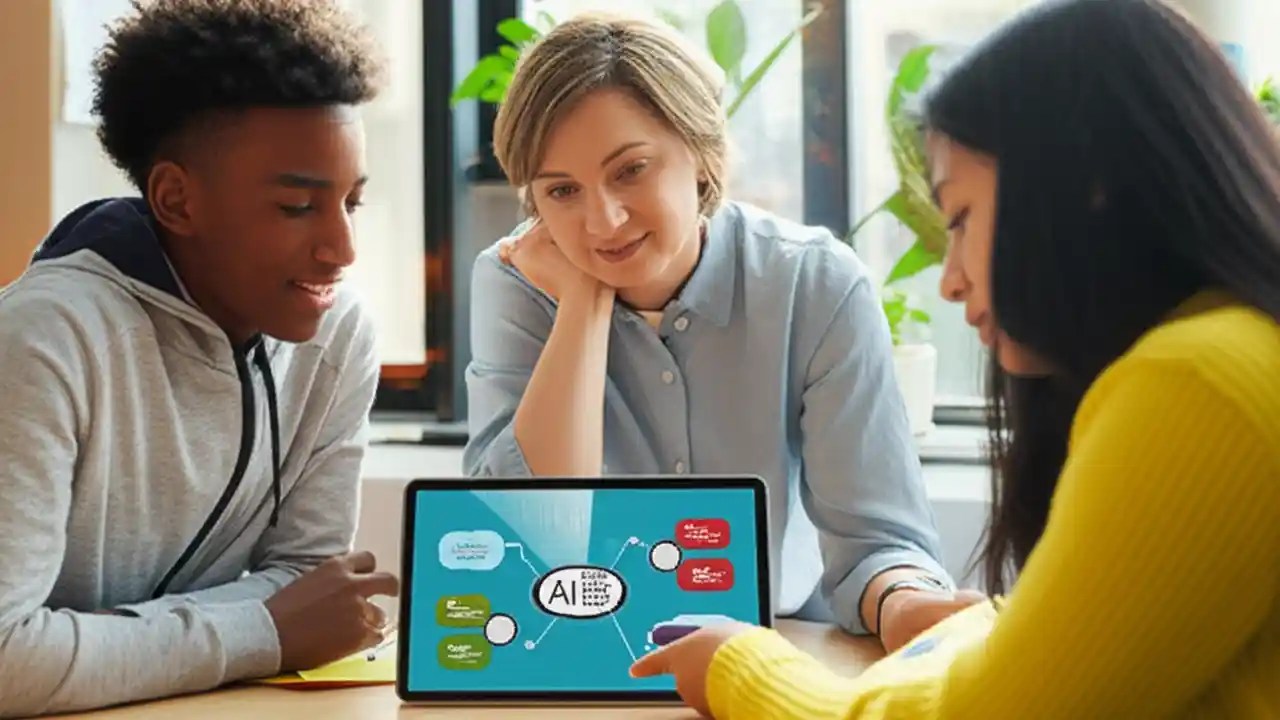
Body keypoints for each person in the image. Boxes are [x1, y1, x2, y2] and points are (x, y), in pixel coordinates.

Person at [627, 0, 1280, 716]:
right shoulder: (1234, 352)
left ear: (1087, 187)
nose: (950, 276)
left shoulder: (1194, 384)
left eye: (961, 217)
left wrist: (739, 663)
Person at [462, 12, 970, 651]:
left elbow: (878, 541)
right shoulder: (518, 283)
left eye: (630, 170)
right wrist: (583, 303)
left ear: (701, 157)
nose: (603, 220)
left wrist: (906, 605)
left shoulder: (813, 283)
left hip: (782, 648)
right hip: (580, 650)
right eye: (562, 191)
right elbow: (525, 536)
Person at [0, 1, 399, 716]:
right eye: (296, 208)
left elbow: (311, 581)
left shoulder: (338, 334)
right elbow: (4, 658)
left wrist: (103, 652)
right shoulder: (42, 342)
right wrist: (261, 629)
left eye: (352, 203)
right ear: (177, 199)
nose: (342, 250)